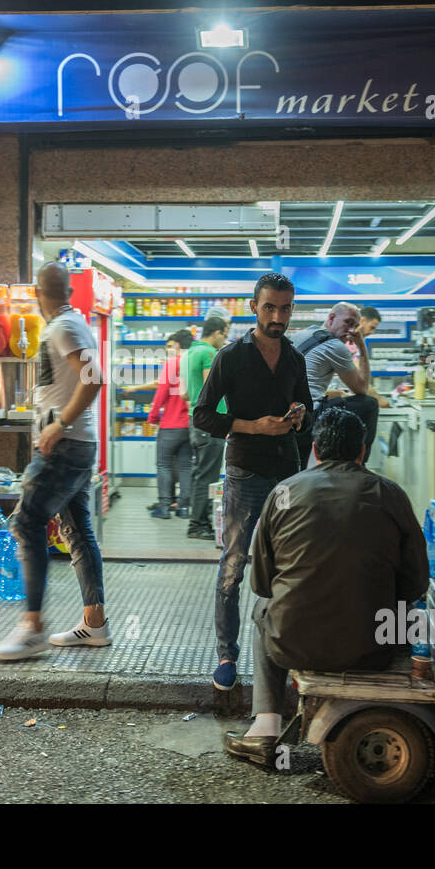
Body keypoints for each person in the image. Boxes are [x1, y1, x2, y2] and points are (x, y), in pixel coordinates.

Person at [224, 407, 428, 764]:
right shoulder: (390, 494)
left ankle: (265, 726)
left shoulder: (284, 492)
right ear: (362, 450)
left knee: (262, 610)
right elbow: (416, 584)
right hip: (375, 648)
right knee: (412, 610)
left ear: (315, 450)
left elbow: (261, 583)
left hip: (292, 643)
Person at [192, 272, 314, 692]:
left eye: (285, 308)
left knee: (291, 568)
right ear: (254, 307)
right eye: (270, 307)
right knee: (233, 566)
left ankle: (288, 653)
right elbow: (202, 415)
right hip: (244, 471)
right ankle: (227, 654)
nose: (277, 315)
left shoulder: (295, 359)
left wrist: (299, 416)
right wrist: (252, 426)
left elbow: (308, 416)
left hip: (288, 472)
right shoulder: (231, 356)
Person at [0, 261, 108, 660]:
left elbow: (94, 378)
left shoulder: (64, 327)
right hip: (78, 443)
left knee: (26, 521)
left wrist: (58, 425)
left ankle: (32, 629)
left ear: (38, 293)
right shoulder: (71, 323)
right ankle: (94, 624)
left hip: (66, 444)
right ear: (68, 291)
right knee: (77, 531)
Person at [291, 303, 374, 469]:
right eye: (348, 323)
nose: (351, 331)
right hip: (310, 414)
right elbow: (361, 388)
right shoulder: (335, 346)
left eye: (355, 326)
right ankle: (358, 462)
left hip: (292, 410)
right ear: (331, 318)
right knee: (369, 403)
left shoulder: (304, 334)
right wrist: (362, 345)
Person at [181, 316, 230, 540]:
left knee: (200, 473)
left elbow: (184, 393)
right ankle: (198, 525)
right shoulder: (209, 353)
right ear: (217, 333)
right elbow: (213, 387)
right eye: (225, 334)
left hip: (195, 420)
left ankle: (198, 520)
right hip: (211, 422)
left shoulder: (189, 352)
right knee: (207, 476)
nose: (225, 339)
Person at [147, 329, 195, 519]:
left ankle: (165, 507)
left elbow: (161, 392)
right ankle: (183, 508)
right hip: (189, 424)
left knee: (163, 465)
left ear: (176, 345)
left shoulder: (172, 363)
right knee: (185, 466)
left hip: (170, 425)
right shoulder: (192, 362)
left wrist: (152, 416)